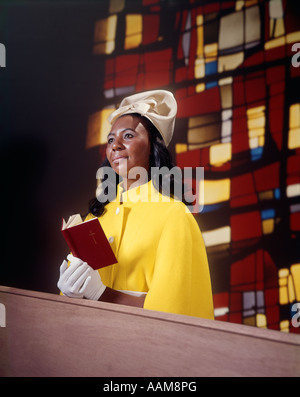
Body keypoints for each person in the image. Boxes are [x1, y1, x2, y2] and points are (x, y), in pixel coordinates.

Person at [57, 90, 214, 319]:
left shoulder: (174, 216)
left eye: (128, 136)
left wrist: (100, 293)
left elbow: (172, 314)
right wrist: (67, 292)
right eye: (111, 139)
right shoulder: (94, 219)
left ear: (154, 146)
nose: (115, 145)